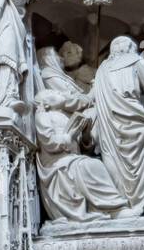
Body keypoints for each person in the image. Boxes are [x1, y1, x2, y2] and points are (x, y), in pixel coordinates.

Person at [90, 36, 144, 217]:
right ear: (131, 48)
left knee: (113, 158)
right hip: (137, 119)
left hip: (111, 124)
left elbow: (93, 98)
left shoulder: (101, 71)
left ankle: (120, 207)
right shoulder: (137, 61)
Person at [33, 90, 127, 222]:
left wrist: (86, 133)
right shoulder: (43, 116)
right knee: (91, 165)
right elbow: (49, 142)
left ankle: (101, 208)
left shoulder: (66, 116)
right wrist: (70, 136)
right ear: (46, 104)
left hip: (72, 160)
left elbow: (83, 149)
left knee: (96, 163)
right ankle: (114, 208)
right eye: (52, 93)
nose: (61, 93)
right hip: (56, 164)